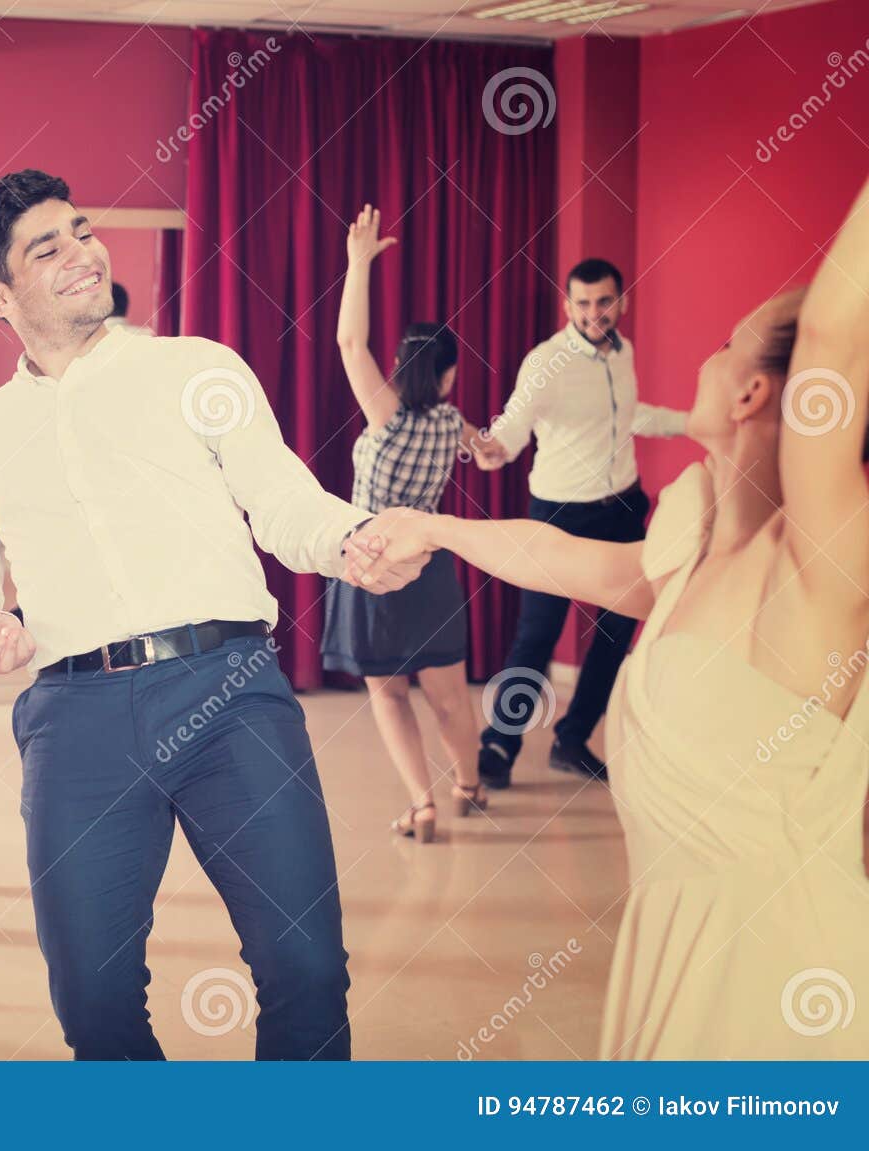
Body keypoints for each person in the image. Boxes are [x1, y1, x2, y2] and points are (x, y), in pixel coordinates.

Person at [348, 174, 869, 1058]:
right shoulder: (694, 535)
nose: (704, 355)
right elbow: (563, 557)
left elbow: (830, 337)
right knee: (530, 641)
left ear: (753, 396)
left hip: (777, 978)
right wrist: (430, 524)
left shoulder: (819, 565)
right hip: (668, 952)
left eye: (722, 344)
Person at [0, 170, 427, 1060]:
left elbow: (283, 500)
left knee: (307, 971)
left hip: (230, 693)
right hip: (75, 719)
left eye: (80, 229)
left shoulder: (196, 367)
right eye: (49, 248)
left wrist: (350, 536)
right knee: (93, 1002)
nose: (84, 252)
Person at [471, 258, 687, 787]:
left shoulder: (624, 352)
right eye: (584, 303)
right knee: (538, 633)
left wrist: (694, 423)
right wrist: (494, 449)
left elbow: (629, 414)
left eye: (605, 301)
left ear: (621, 302)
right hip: (561, 514)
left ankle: (573, 738)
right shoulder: (547, 361)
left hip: (623, 507)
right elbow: (515, 424)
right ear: (569, 306)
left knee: (618, 630)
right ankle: (500, 743)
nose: (595, 313)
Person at [325, 206, 484, 843]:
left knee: (387, 693)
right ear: (447, 374)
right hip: (431, 562)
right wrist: (492, 447)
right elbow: (487, 446)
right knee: (448, 693)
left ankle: (421, 803)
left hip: (369, 561)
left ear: (398, 366)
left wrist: (357, 264)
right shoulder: (450, 422)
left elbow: (347, 344)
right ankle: (468, 783)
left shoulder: (385, 414)